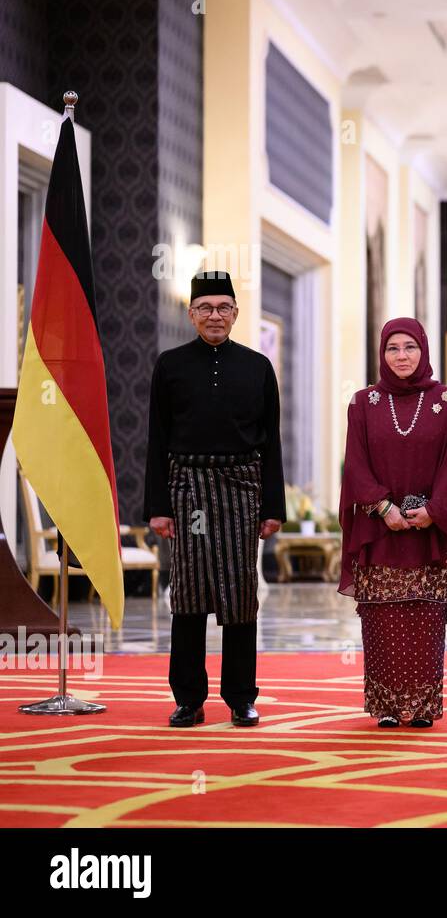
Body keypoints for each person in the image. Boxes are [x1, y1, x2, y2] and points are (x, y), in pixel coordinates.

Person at [144, 270, 286, 728]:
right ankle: (188, 698)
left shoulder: (258, 366)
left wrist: (272, 507)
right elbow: (156, 439)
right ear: (190, 314)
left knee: (240, 593)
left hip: (243, 488)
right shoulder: (169, 365)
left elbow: (272, 444)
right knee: (187, 594)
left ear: (236, 314)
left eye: (224, 307)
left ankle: (241, 697)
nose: (215, 316)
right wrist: (158, 506)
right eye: (205, 308)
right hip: (187, 488)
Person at [338, 318, 447, 728]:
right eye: (393, 348)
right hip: (379, 530)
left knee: (424, 618)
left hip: (431, 532)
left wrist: (434, 510)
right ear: (382, 354)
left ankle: (421, 706)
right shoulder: (364, 403)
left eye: (410, 347)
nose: (401, 356)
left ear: (424, 351)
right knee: (382, 618)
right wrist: (384, 509)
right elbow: (356, 465)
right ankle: (385, 706)